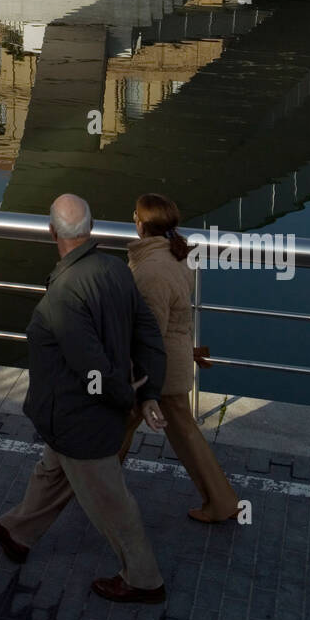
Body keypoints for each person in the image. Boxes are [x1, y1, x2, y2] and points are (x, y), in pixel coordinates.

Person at [0, 193, 169, 604]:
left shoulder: (63, 295)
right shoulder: (116, 269)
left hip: (79, 419)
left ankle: (144, 580)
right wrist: (148, 392)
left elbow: (90, 367)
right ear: (91, 229)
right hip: (75, 417)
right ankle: (17, 533)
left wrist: (126, 398)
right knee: (51, 473)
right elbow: (147, 333)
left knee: (111, 503)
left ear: (51, 232)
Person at [119, 193, 239, 524]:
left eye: (134, 216)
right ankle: (222, 501)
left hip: (158, 371)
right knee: (152, 429)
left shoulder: (150, 272)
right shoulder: (177, 255)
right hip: (175, 360)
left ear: (141, 225)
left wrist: (140, 381)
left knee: (124, 428)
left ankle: (96, 490)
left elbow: (149, 334)